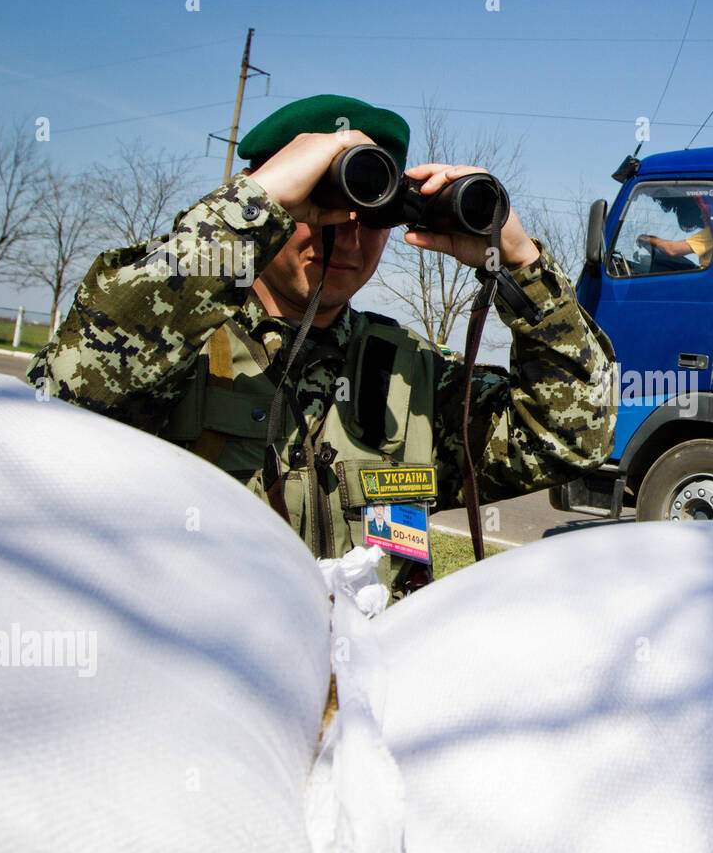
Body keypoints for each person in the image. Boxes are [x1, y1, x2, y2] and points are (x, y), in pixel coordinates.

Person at [30, 95, 615, 597]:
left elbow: (573, 437)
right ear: (273, 202)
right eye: (324, 205)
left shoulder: (409, 376)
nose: (347, 235)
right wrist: (248, 208)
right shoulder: (177, 346)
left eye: (374, 215)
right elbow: (63, 398)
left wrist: (520, 266)